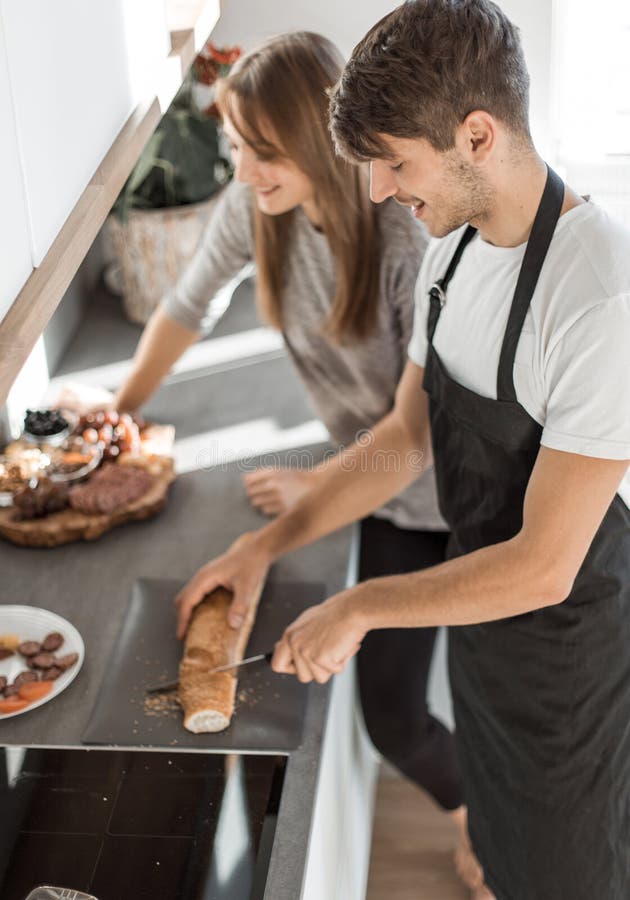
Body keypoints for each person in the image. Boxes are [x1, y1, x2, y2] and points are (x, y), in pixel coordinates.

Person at [174, 3, 630, 899]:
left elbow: (544, 567)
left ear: (476, 134)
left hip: (573, 663)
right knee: (505, 852)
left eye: (395, 163)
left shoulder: (598, 296)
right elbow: (404, 440)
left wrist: (363, 605)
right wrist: (263, 547)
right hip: (484, 637)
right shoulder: (450, 252)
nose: (379, 191)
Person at [116, 30, 485, 891]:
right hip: (379, 490)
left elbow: (412, 435)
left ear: (318, 141)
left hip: (459, 496)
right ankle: (471, 802)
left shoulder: (406, 242)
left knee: (487, 693)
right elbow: (188, 301)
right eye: (236, 147)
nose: (241, 171)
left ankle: (499, 819)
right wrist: (120, 411)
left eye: (261, 150)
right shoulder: (260, 211)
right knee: (395, 715)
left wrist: (315, 490)